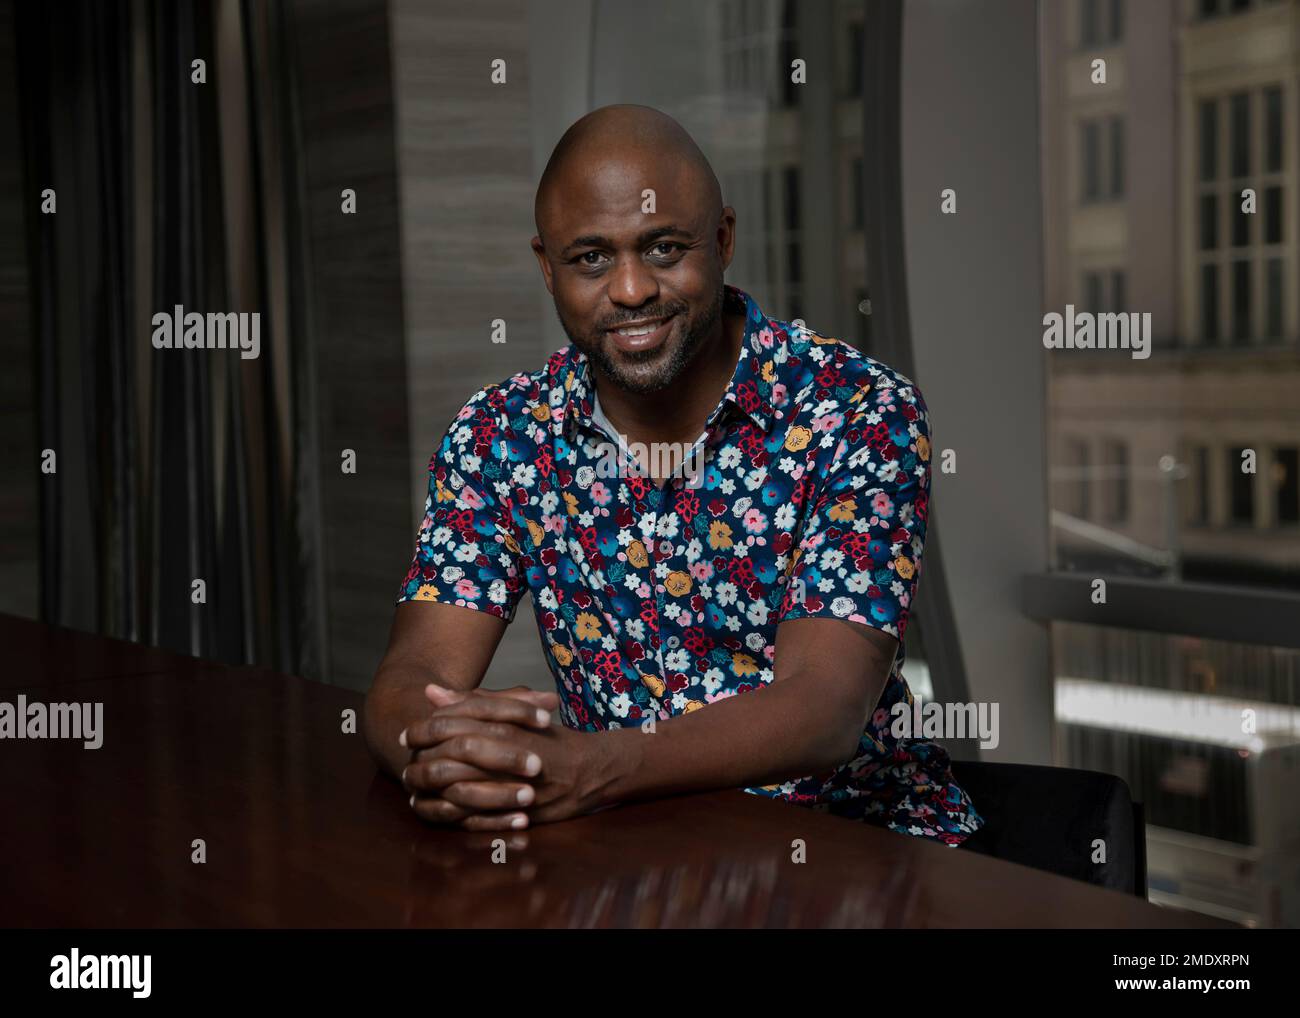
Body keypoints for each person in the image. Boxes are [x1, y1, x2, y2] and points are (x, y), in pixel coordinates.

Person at [363, 103, 984, 847]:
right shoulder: (502, 435)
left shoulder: (856, 411)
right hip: (629, 857)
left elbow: (823, 709)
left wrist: (594, 768)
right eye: (590, 258)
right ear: (546, 267)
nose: (630, 290)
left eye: (662, 248)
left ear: (722, 237)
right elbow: (415, 674)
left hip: (851, 852)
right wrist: (445, 759)